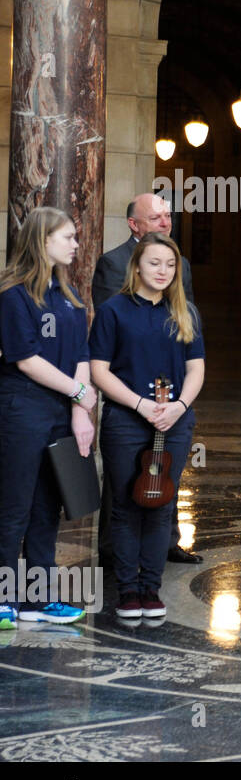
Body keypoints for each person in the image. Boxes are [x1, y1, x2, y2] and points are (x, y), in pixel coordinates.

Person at [90, 233, 204, 620]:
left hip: (174, 421)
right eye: (155, 263)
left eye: (171, 265)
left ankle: (150, 589)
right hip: (125, 421)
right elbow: (99, 370)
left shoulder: (185, 311)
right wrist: (139, 403)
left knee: (161, 503)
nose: (163, 271)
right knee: (125, 505)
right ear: (137, 265)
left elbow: (196, 368)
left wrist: (180, 405)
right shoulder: (113, 310)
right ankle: (126, 591)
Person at [0, 207, 96, 627]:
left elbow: (80, 356)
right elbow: (24, 358)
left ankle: (36, 601)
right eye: (68, 236)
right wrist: (78, 391)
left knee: (46, 509)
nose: (76, 243)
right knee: (14, 506)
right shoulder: (13, 294)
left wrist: (81, 413)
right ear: (42, 241)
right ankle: (4, 600)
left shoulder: (71, 299)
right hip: (21, 409)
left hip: (60, 414)